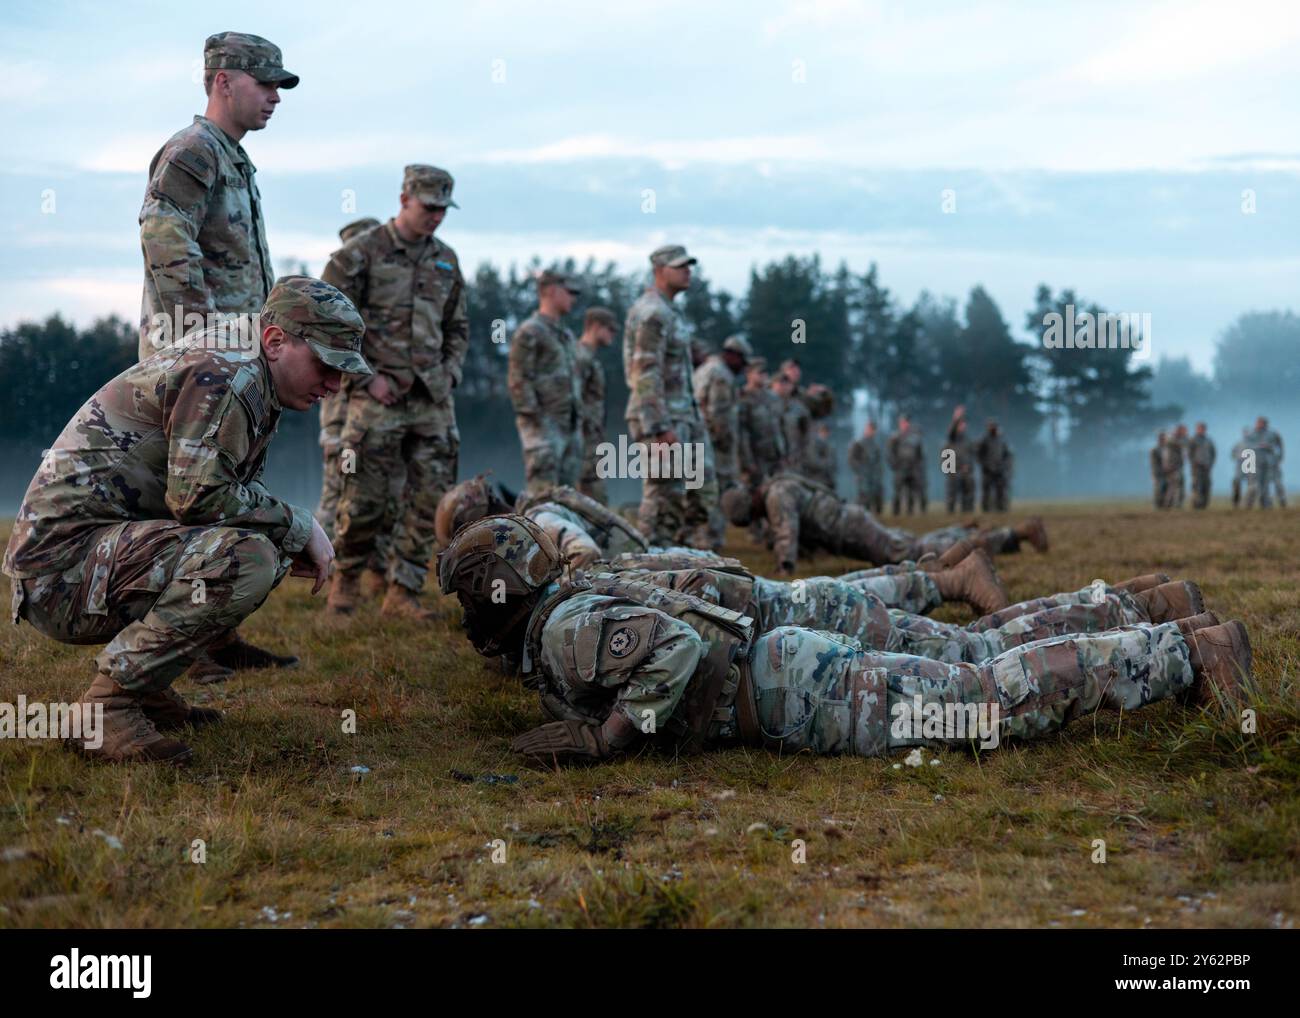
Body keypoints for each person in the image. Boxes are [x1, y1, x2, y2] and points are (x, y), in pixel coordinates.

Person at [437, 517, 1253, 765]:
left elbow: (674, 652)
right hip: (787, 652)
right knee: (972, 667)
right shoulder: (575, 589)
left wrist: (607, 737)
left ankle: (1186, 654)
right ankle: (1162, 623)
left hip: (789, 686)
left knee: (977, 704)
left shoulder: (560, 629)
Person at [2, 278, 370, 763]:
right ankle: (108, 706)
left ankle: (146, 685)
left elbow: (211, 491)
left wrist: (286, 528)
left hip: (88, 555)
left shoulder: (250, 362)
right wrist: (301, 525)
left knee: (262, 543)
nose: (335, 385)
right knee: (248, 556)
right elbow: (200, 498)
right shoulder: (227, 374)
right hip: (60, 575)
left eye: (344, 371)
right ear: (276, 341)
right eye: (326, 365)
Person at [434, 477, 1006, 616]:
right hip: (672, 575)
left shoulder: (542, 522)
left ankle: (948, 580)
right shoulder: (536, 521)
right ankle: (936, 570)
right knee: (802, 599)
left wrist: (557, 607)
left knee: (806, 604)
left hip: (673, 581)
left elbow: (584, 559)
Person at [321, 164, 469, 619]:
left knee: (431, 501)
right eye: (429, 207)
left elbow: (457, 327)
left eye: (443, 209)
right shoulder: (359, 255)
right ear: (404, 199)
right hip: (377, 398)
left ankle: (403, 591)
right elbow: (326, 322)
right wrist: (365, 378)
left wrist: (449, 375)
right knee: (364, 498)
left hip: (432, 402)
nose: (436, 217)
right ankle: (344, 583)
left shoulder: (446, 259)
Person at [138, 32, 297, 361]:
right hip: (198, 365)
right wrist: (206, 339)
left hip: (232, 357)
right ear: (224, 82)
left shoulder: (232, 158)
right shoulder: (195, 151)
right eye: (265, 84)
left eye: (278, 88)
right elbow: (163, 238)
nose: (276, 97)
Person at [719, 472, 1049, 576]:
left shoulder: (777, 497)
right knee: (911, 543)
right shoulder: (779, 485)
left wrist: (785, 567)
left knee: (913, 554)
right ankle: (968, 531)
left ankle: (1012, 534)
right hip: (853, 523)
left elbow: (786, 532)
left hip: (853, 530)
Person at [622, 245, 717, 547]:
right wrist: (658, 427)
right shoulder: (653, 313)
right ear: (660, 270)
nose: (688, 271)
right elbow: (644, 372)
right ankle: (647, 566)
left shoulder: (670, 311)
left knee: (701, 492)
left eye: (689, 265)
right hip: (662, 421)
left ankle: (681, 559)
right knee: (665, 498)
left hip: (684, 417)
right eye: (680, 266)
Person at [316, 216, 381, 541]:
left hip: (364, 414)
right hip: (340, 413)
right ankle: (319, 553)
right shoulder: (336, 300)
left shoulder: (374, 299)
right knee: (336, 487)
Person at [508, 270, 584, 493]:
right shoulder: (530, 331)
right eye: (569, 292)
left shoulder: (565, 335)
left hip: (568, 428)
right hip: (545, 430)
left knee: (566, 497)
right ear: (551, 290)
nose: (573, 298)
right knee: (541, 496)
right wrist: (538, 422)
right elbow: (518, 379)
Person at [694, 335, 751, 547]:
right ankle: (711, 541)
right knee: (717, 491)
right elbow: (720, 415)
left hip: (698, 442)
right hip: (715, 447)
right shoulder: (721, 375)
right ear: (732, 355)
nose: (743, 368)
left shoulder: (704, 369)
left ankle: (696, 538)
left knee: (699, 491)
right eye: (742, 362)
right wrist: (724, 443)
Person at [574, 306, 618, 503]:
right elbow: (573, 399)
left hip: (591, 440)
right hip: (582, 443)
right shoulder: (580, 358)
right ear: (595, 326)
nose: (613, 335)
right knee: (592, 502)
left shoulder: (588, 358)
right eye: (610, 329)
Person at [888, 415, 926, 515]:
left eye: (906, 422)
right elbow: (890, 453)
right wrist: (894, 465)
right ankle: (896, 512)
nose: (905, 424)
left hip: (912, 468)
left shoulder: (915, 438)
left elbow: (920, 454)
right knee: (897, 491)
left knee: (911, 491)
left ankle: (910, 511)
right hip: (900, 468)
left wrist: (918, 466)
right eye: (903, 422)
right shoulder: (895, 437)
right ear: (900, 423)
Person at [847, 421, 885, 513]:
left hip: (874, 476)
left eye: (873, 429)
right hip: (864, 476)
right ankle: (861, 514)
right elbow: (851, 459)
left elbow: (878, 460)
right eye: (869, 429)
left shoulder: (875, 445)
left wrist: (879, 472)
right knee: (864, 497)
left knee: (877, 495)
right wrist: (859, 470)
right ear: (866, 429)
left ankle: (876, 515)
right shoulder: (859, 443)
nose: (871, 431)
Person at [976, 418, 1013, 512]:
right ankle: (986, 509)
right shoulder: (984, 439)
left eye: (993, 426)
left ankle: (1001, 508)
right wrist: (985, 465)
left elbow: (1007, 455)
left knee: (1001, 490)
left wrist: (1005, 466)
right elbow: (979, 455)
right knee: (986, 491)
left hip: (1000, 470)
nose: (992, 428)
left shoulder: (1002, 440)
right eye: (990, 426)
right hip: (987, 470)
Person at [943, 414, 976, 513]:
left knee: (968, 493)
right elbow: (950, 432)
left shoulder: (967, 440)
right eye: (961, 424)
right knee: (952, 494)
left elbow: (971, 455)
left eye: (964, 424)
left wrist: (969, 467)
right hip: (953, 470)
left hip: (966, 471)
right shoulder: (952, 438)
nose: (963, 426)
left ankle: (967, 512)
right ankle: (950, 512)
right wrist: (956, 418)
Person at [1188, 422, 1216, 510]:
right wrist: (1194, 463)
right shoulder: (1193, 440)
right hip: (1197, 467)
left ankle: (1204, 505)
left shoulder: (1208, 440)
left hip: (1206, 467)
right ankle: (1196, 505)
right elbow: (1189, 454)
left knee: (1206, 485)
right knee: (1197, 486)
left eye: (1203, 428)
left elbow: (1213, 453)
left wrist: (1210, 464)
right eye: (1200, 428)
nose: (1201, 430)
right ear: (1197, 429)